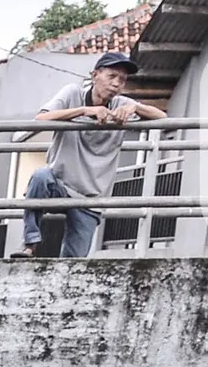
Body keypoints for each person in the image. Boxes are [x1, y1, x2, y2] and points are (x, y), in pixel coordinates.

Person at [24, 52, 167, 257]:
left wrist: (135, 107)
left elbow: (162, 117)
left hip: (92, 195)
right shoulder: (72, 93)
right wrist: (83, 111)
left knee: (74, 263)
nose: (117, 84)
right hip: (60, 182)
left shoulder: (121, 105)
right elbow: (41, 119)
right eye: (111, 76)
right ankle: (30, 244)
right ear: (95, 75)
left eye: (122, 80)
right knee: (40, 177)